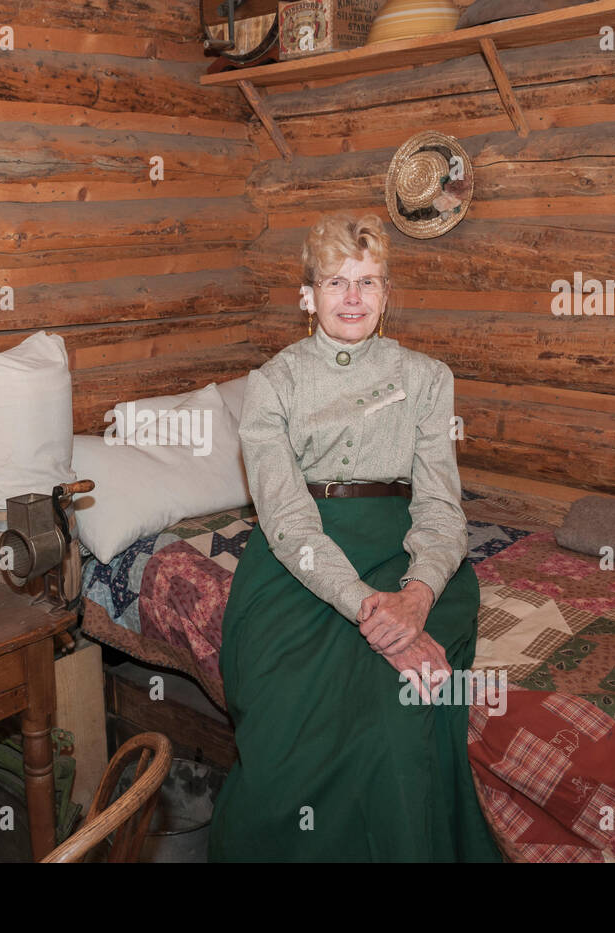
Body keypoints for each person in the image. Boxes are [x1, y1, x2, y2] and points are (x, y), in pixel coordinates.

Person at [207, 211, 502, 862]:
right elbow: (286, 521)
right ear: (307, 294)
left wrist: (417, 596)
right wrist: (367, 608)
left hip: (403, 555)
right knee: (292, 720)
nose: (352, 298)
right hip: (299, 565)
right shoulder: (272, 385)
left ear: (387, 295)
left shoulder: (427, 379)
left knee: (397, 724)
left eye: (368, 282)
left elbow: (442, 509)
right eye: (337, 281)